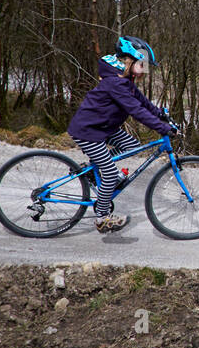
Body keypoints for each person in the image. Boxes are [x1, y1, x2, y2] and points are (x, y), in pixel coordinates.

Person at [67, 36, 175, 232]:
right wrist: (161, 128)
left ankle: (94, 169)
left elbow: (143, 103)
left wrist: (161, 116)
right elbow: (136, 110)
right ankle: (102, 217)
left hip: (104, 128)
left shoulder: (125, 81)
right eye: (142, 65)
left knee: (133, 146)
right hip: (88, 132)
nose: (145, 70)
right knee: (109, 174)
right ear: (129, 60)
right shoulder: (116, 83)